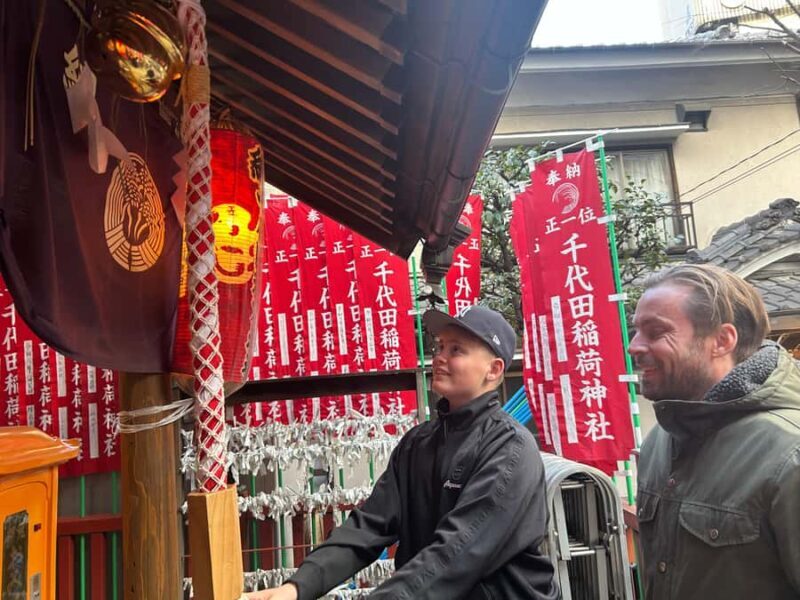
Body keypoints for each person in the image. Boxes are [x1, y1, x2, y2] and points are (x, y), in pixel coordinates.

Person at [247, 305, 558, 599]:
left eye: (456, 350)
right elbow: (368, 526)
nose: (439, 357)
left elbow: (457, 553)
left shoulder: (509, 449)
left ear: (494, 369)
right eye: (440, 346)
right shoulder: (418, 444)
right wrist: (298, 587)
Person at [629, 264, 800, 599]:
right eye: (636, 331)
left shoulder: (789, 454)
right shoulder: (661, 441)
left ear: (722, 340)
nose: (635, 346)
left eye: (656, 332)